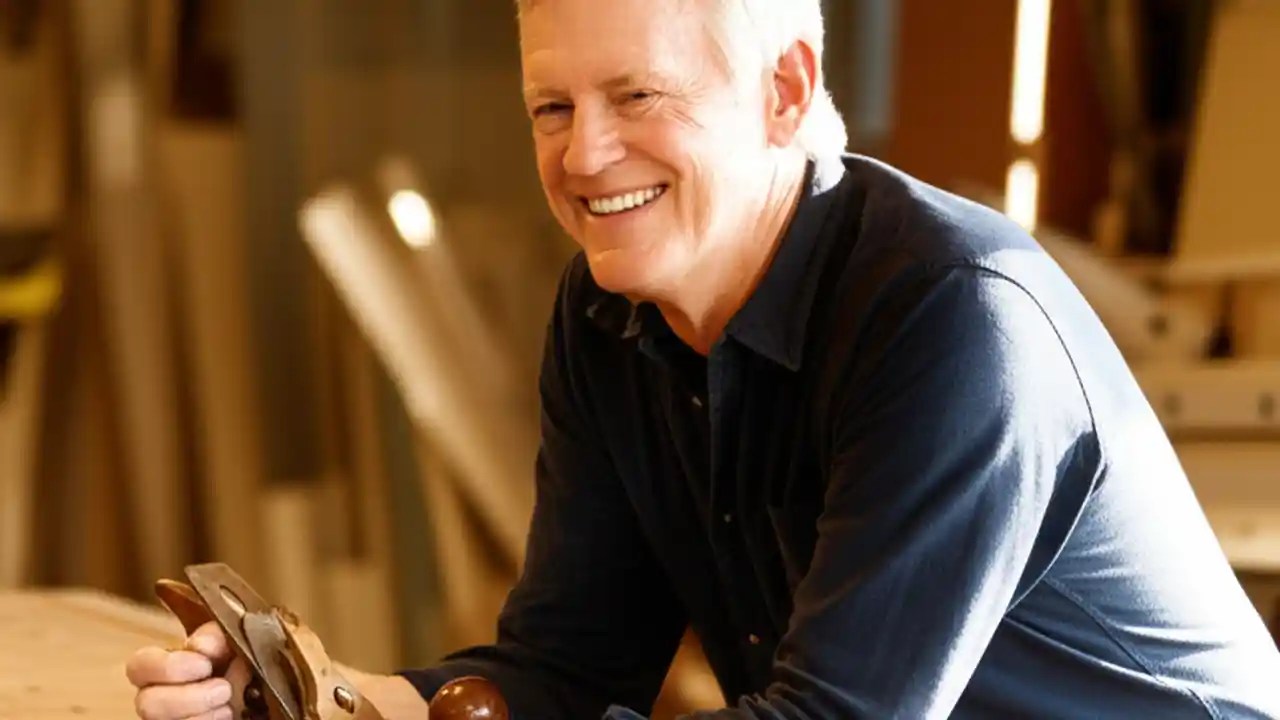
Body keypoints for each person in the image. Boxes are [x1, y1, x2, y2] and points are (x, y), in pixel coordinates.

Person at [128, 0, 1280, 718]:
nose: (585, 155)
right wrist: (338, 700)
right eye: (549, 106)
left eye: (636, 96)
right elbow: (569, 676)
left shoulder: (950, 318)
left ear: (783, 92)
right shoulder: (609, 318)